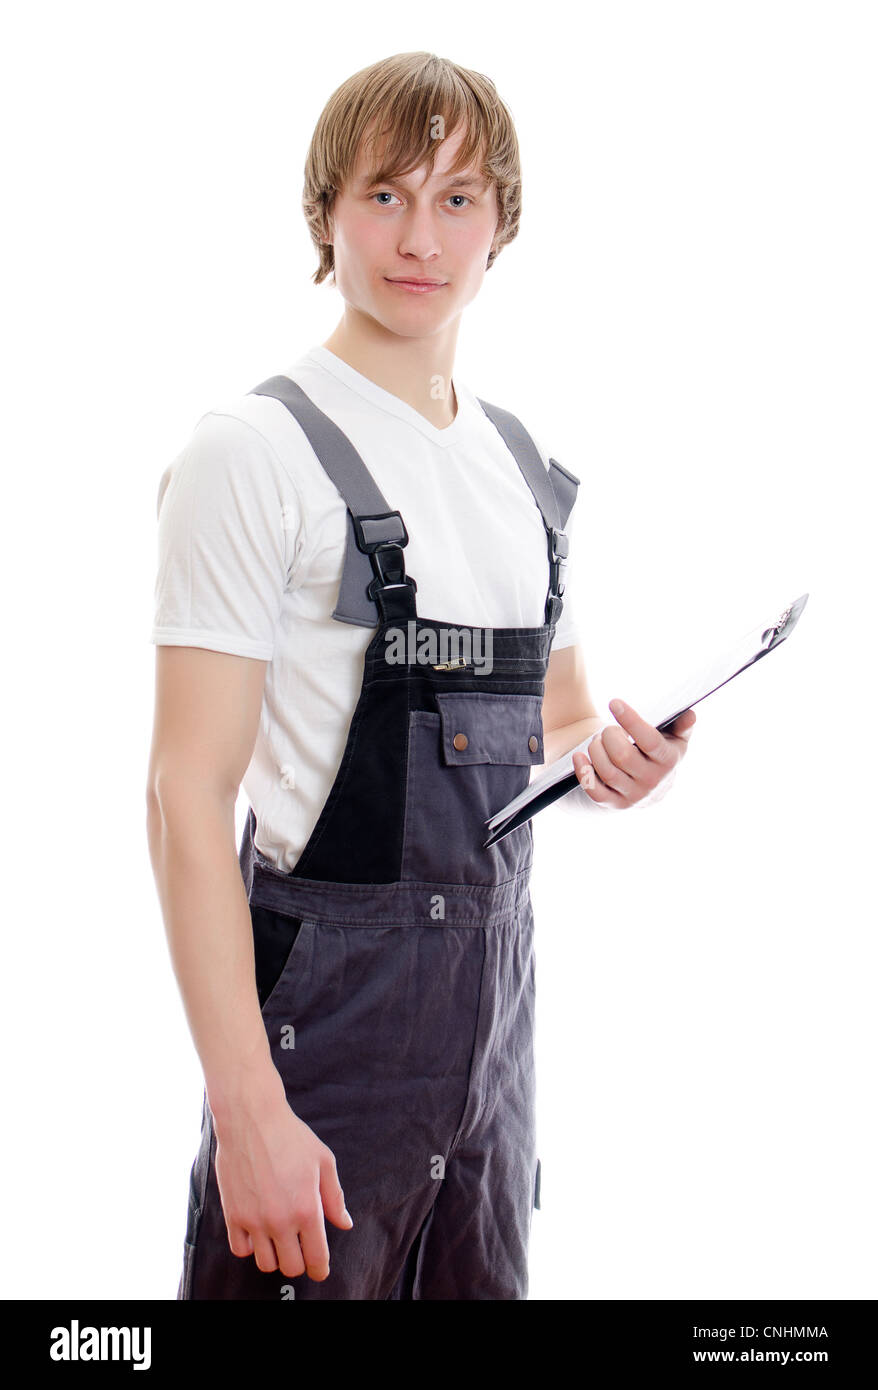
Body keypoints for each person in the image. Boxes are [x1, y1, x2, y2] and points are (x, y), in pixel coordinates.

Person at [146, 50, 695, 1302]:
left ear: (501, 225)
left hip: (491, 1064)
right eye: (384, 193)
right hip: (320, 1055)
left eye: (456, 198)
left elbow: (555, 723)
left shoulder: (523, 467)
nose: (418, 235)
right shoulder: (255, 450)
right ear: (324, 212)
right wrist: (249, 1111)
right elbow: (183, 794)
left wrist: (611, 763)